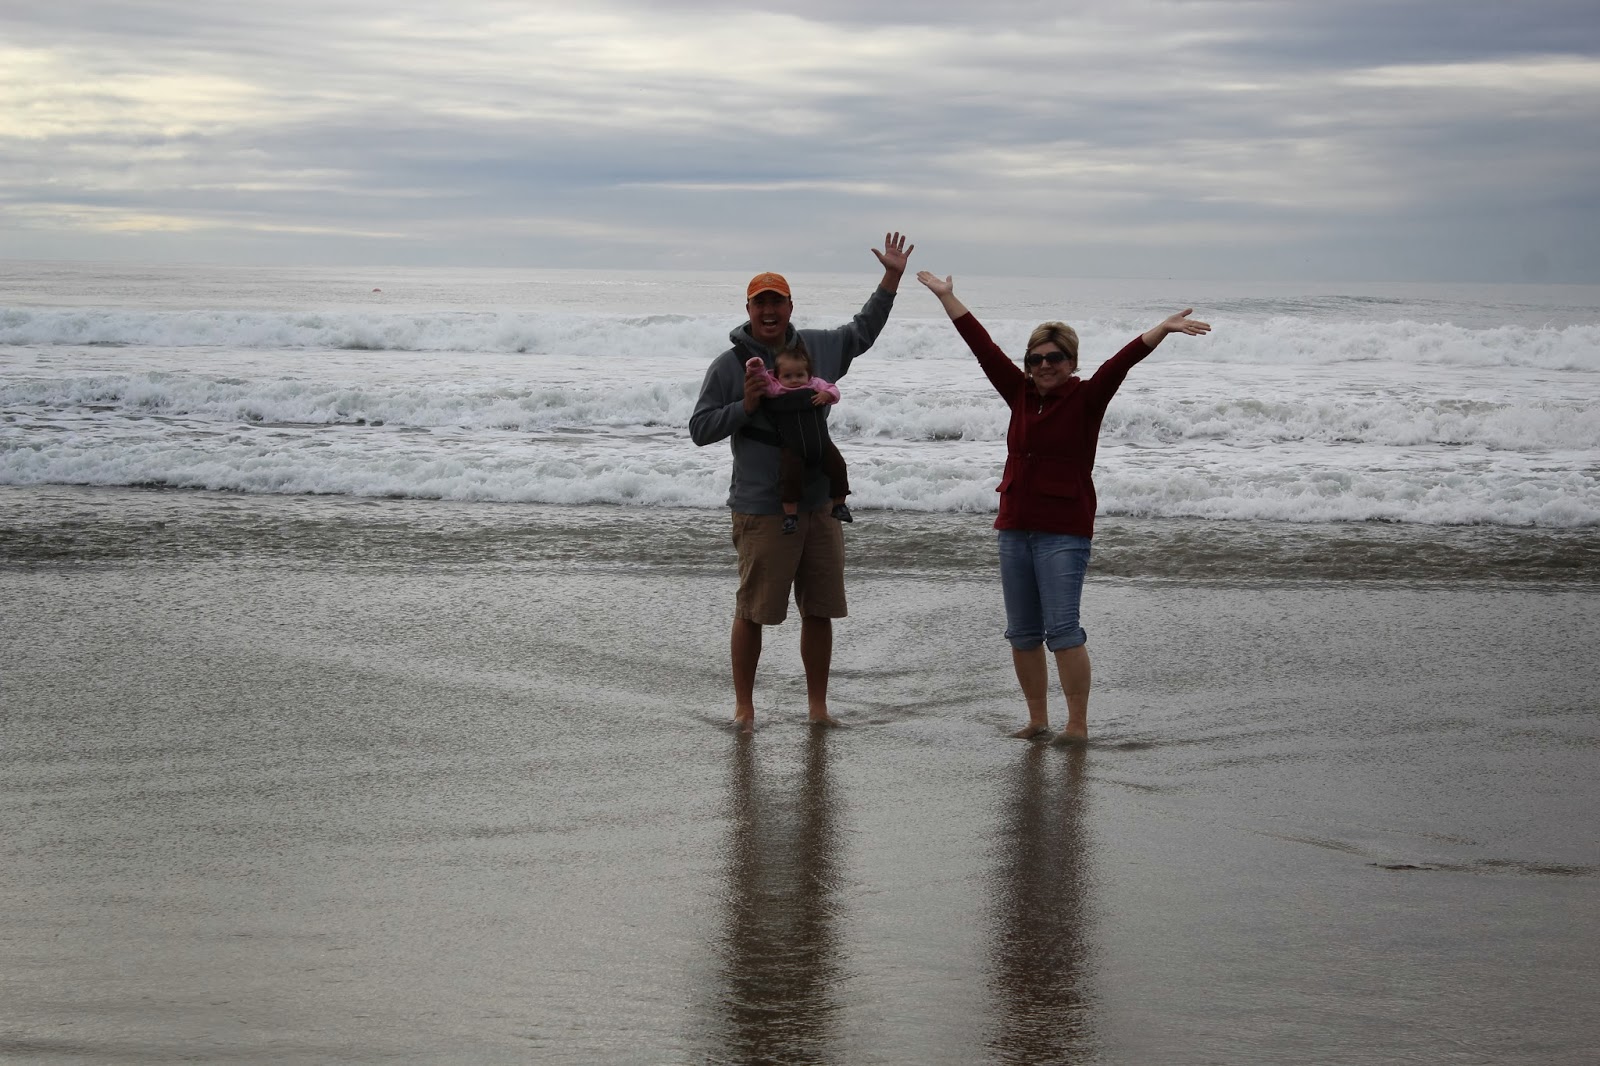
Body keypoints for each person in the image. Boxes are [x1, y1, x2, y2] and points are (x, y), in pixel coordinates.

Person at [916, 269, 1210, 745]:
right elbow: (982, 346)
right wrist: (948, 297)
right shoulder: (1018, 393)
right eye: (1036, 358)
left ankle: (1076, 725)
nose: (1044, 365)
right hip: (1014, 526)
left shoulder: (1087, 397)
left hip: (1063, 532)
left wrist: (1161, 329)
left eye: (1055, 357)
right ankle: (1037, 720)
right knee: (1022, 632)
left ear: (1072, 361)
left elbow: (1121, 363)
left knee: (1063, 630)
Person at [690, 233, 914, 733]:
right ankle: (744, 709)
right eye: (760, 303)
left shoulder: (817, 348)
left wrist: (890, 278)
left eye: (778, 302)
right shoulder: (729, 367)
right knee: (753, 611)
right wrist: (745, 406)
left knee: (820, 611)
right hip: (762, 508)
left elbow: (862, 331)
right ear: (748, 309)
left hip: (818, 507)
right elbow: (699, 429)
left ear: (790, 307)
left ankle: (818, 708)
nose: (769, 311)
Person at [744, 345, 853, 535]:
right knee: (790, 477)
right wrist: (756, 367)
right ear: (777, 377)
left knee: (838, 467)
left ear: (808, 375)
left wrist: (827, 395)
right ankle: (790, 516)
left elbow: (834, 390)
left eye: (800, 375)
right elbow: (763, 381)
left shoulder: (815, 385)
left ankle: (839, 505)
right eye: (787, 376)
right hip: (792, 447)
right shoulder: (776, 389)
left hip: (822, 443)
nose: (794, 380)